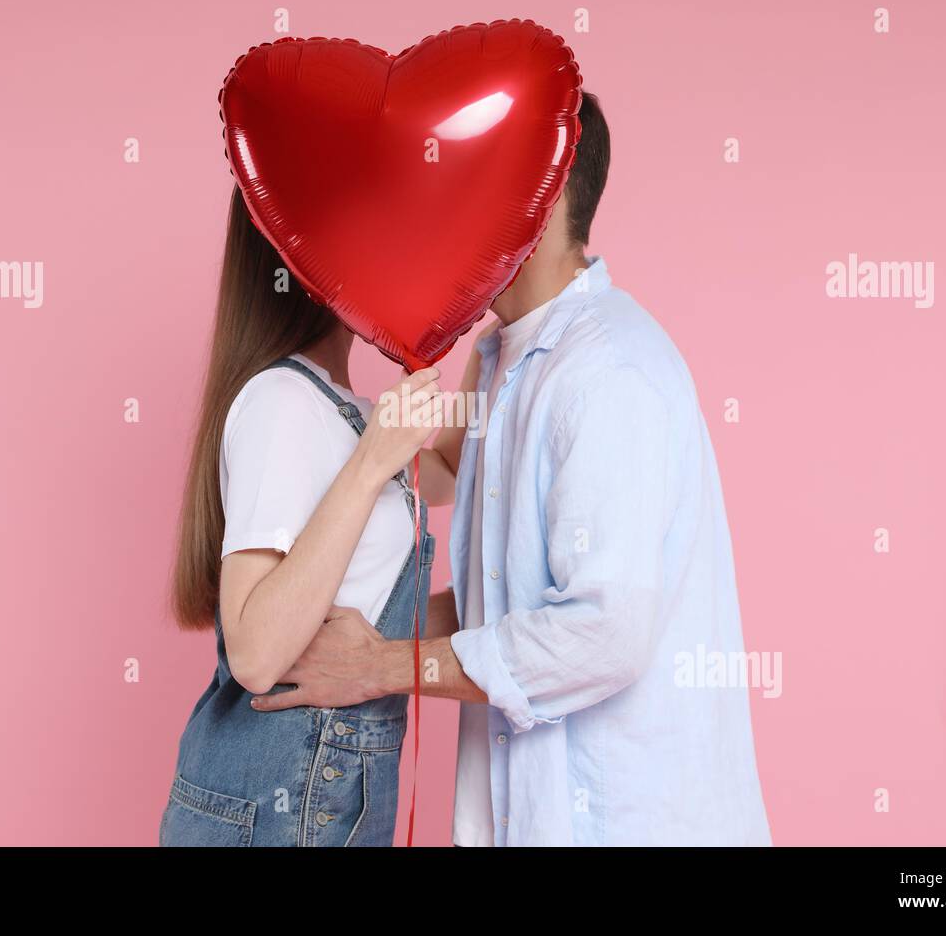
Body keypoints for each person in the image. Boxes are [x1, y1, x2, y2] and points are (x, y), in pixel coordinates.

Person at [251, 92, 774, 846]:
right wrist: (347, 617)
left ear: (544, 191)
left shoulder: (607, 373)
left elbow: (601, 633)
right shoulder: (501, 360)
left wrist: (385, 666)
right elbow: (481, 546)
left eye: (477, 176)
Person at [159, 189, 453, 846]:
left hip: (330, 797)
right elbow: (257, 656)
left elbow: (446, 477)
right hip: (276, 804)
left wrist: (492, 335)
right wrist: (372, 462)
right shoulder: (281, 403)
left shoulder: (340, 411)